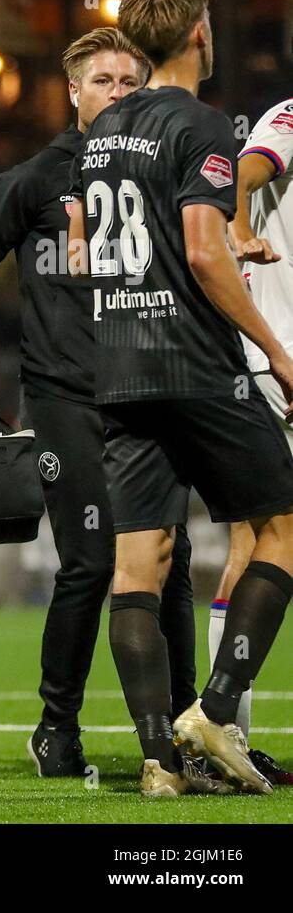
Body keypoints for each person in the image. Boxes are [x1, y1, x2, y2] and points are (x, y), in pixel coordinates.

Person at [0, 27, 200, 780]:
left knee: (174, 563)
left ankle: (186, 728)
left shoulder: (163, 176)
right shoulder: (36, 178)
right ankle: (57, 724)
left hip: (149, 393)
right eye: (105, 81)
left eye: (131, 80)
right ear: (74, 93)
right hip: (63, 395)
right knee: (89, 562)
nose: (120, 91)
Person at [68, 0, 293, 795]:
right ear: (201, 33)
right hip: (194, 362)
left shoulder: (104, 131)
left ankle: (160, 760)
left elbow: (93, 247)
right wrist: (273, 347)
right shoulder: (201, 124)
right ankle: (219, 703)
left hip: (120, 364)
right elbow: (204, 249)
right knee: (280, 528)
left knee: (139, 564)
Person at [200, 92, 293, 786]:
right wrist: (236, 232)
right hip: (277, 363)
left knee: (255, 543)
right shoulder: (291, 117)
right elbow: (241, 169)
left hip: (268, 362)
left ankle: (226, 732)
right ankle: (222, 721)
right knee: (266, 540)